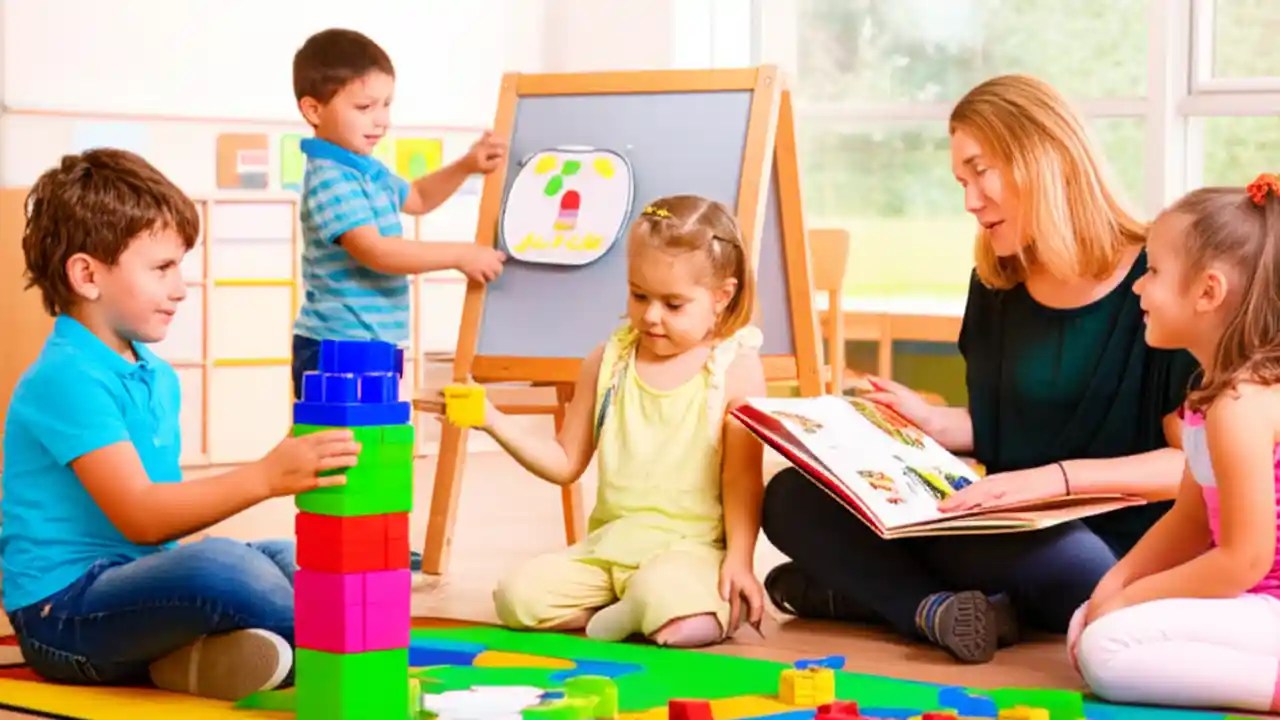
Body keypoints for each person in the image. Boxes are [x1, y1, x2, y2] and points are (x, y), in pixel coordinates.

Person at [760, 74, 1200, 663]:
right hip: (1005, 522)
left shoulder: (1157, 280)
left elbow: (1191, 465)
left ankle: (877, 595)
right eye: (960, 182)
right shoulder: (996, 282)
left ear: (1041, 158)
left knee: (1073, 565)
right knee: (790, 496)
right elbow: (1017, 421)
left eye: (980, 172)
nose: (970, 200)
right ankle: (936, 609)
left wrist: (1056, 480)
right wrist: (932, 425)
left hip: (1107, 544)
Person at [0, 149, 361, 700]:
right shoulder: (65, 378)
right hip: (63, 617)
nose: (181, 288)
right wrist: (265, 476)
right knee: (222, 569)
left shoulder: (154, 374)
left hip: (132, 589)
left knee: (292, 558)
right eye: (162, 268)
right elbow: (143, 517)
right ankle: (335, 642)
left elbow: (161, 526)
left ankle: (194, 659)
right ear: (87, 275)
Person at [425, 195, 768, 648]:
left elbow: (743, 480)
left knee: (665, 595)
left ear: (722, 296)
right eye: (639, 295)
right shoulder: (607, 361)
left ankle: (650, 608)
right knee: (518, 597)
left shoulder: (734, 367)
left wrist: (739, 561)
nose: (651, 316)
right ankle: (628, 612)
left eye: (673, 304)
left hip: (688, 553)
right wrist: (490, 418)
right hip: (607, 550)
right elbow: (565, 462)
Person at [1071, 174, 1280, 713]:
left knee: (1106, 649)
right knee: (1092, 625)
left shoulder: (1241, 407)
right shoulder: (1209, 398)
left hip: (1266, 604)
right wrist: (1110, 589)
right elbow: (1189, 521)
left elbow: (1244, 561)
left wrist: (1130, 601)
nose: (1137, 288)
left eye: (1153, 272)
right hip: (1255, 605)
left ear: (1208, 292)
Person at [288, 28, 509, 398]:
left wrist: (466, 166)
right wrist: (459, 255)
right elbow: (377, 251)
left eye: (386, 105)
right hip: (338, 342)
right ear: (314, 110)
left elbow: (418, 197)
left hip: (374, 341)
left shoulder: (366, 169)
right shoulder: (330, 177)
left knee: (375, 431)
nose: (381, 120)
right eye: (365, 108)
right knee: (342, 433)